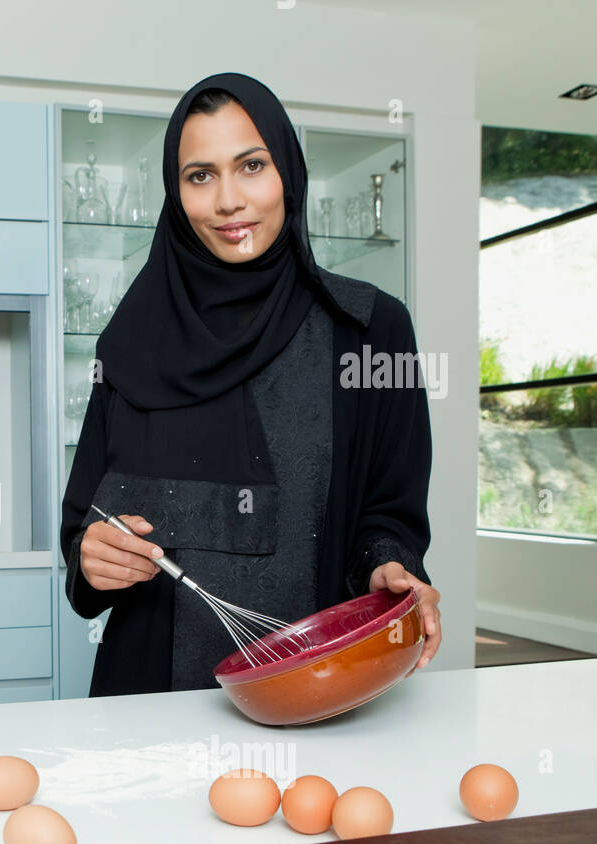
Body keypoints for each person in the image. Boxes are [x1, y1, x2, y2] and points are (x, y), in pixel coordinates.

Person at [61, 72, 443, 696]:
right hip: (147, 696)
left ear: (287, 173)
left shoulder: (369, 330)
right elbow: (85, 528)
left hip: (316, 682)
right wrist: (93, 558)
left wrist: (388, 569)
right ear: (175, 193)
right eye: (200, 175)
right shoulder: (133, 343)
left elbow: (388, 513)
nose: (228, 201)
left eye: (252, 165)